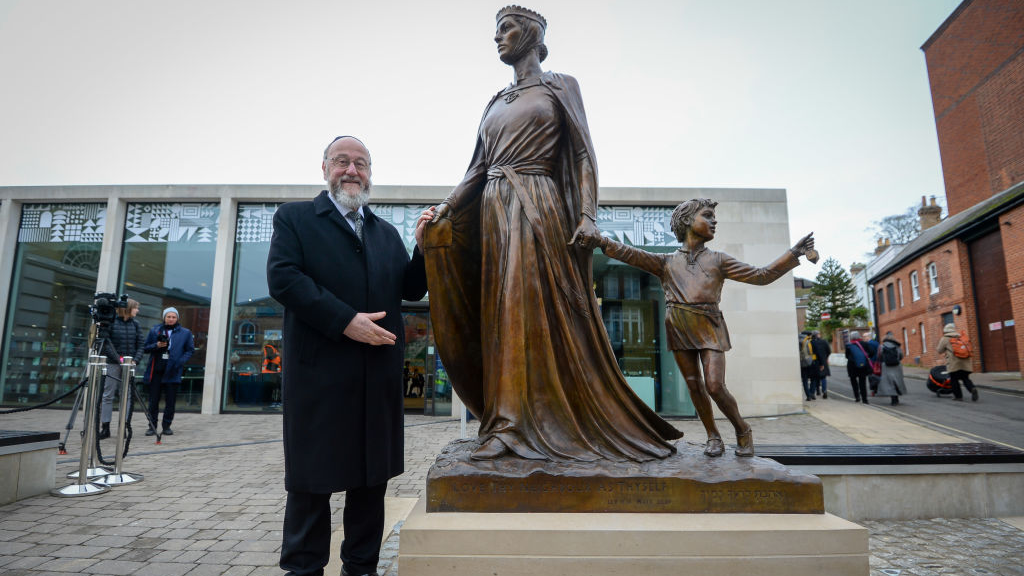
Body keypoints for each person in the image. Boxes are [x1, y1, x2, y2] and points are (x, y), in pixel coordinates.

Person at [426, 5, 682, 463]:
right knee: (499, 313)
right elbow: (478, 170)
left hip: (538, 206)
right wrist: (444, 208)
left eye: (505, 29)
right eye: (497, 30)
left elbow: (583, 154)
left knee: (527, 307)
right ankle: (504, 423)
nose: (497, 38)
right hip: (493, 211)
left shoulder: (561, 86)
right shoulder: (494, 102)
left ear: (530, 35)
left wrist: (587, 215)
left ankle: (534, 420)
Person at [267, 135, 432, 576]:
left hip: (375, 380)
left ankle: (361, 569)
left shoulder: (385, 233)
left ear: (370, 174)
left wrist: (423, 246)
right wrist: (345, 320)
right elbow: (283, 279)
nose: (352, 171)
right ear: (325, 169)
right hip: (319, 380)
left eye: (361, 163)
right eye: (343, 161)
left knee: (370, 487)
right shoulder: (296, 218)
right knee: (310, 488)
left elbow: (412, 289)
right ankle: (304, 570)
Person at [585, 199, 814, 456]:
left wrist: (793, 254)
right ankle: (712, 436)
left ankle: (742, 429)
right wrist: (602, 241)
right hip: (678, 324)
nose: (714, 221)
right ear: (687, 221)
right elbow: (632, 254)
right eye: (708, 216)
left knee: (715, 385)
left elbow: (761, 276)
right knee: (694, 385)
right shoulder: (666, 262)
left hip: (709, 324)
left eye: (714, 217)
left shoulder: (718, 260)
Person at [141, 307, 194, 436]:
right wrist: (156, 345)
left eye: (173, 317)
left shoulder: (185, 333)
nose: (171, 319)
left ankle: (166, 426)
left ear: (177, 318)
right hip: (157, 370)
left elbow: (190, 350)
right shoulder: (155, 330)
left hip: (173, 370)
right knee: (153, 401)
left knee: (170, 401)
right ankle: (152, 426)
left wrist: (180, 361)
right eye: (168, 316)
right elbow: (145, 348)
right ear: (164, 317)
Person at [98, 299, 145, 440]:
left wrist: (135, 360)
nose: (137, 310)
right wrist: (118, 359)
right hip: (113, 363)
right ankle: (105, 427)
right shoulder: (112, 323)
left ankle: (124, 426)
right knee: (108, 395)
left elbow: (141, 344)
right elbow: (106, 344)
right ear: (128, 308)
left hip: (130, 364)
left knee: (127, 396)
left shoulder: (136, 325)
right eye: (136, 308)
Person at [936, 323, 979, 401]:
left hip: (954, 363)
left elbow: (939, 350)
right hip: (965, 362)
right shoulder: (961, 337)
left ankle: (958, 396)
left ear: (945, 331)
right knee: (965, 378)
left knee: (954, 379)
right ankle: (972, 389)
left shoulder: (945, 338)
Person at [844, 330, 876, 404]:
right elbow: (872, 352)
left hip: (852, 366)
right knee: (862, 382)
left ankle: (857, 397)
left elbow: (846, 356)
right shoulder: (864, 344)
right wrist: (866, 357)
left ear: (851, 337)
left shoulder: (848, 345)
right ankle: (864, 399)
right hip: (863, 365)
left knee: (854, 382)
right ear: (859, 336)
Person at [875, 331, 907, 405]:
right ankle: (896, 398)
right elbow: (901, 355)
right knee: (897, 382)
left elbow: (879, 356)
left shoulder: (881, 346)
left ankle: (893, 399)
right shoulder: (897, 346)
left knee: (889, 383)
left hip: (886, 366)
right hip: (897, 366)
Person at [810, 330, 832, 399]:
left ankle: (815, 392)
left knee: (814, 378)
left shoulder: (811, 342)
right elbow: (829, 351)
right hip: (823, 361)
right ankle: (824, 391)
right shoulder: (824, 342)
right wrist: (825, 357)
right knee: (823, 377)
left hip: (814, 362)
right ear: (818, 335)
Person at [799, 330, 817, 401]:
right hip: (810, 361)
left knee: (804, 379)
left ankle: (808, 396)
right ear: (808, 335)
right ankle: (812, 393)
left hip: (801, 362)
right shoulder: (809, 341)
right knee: (813, 378)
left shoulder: (797, 341)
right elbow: (812, 352)